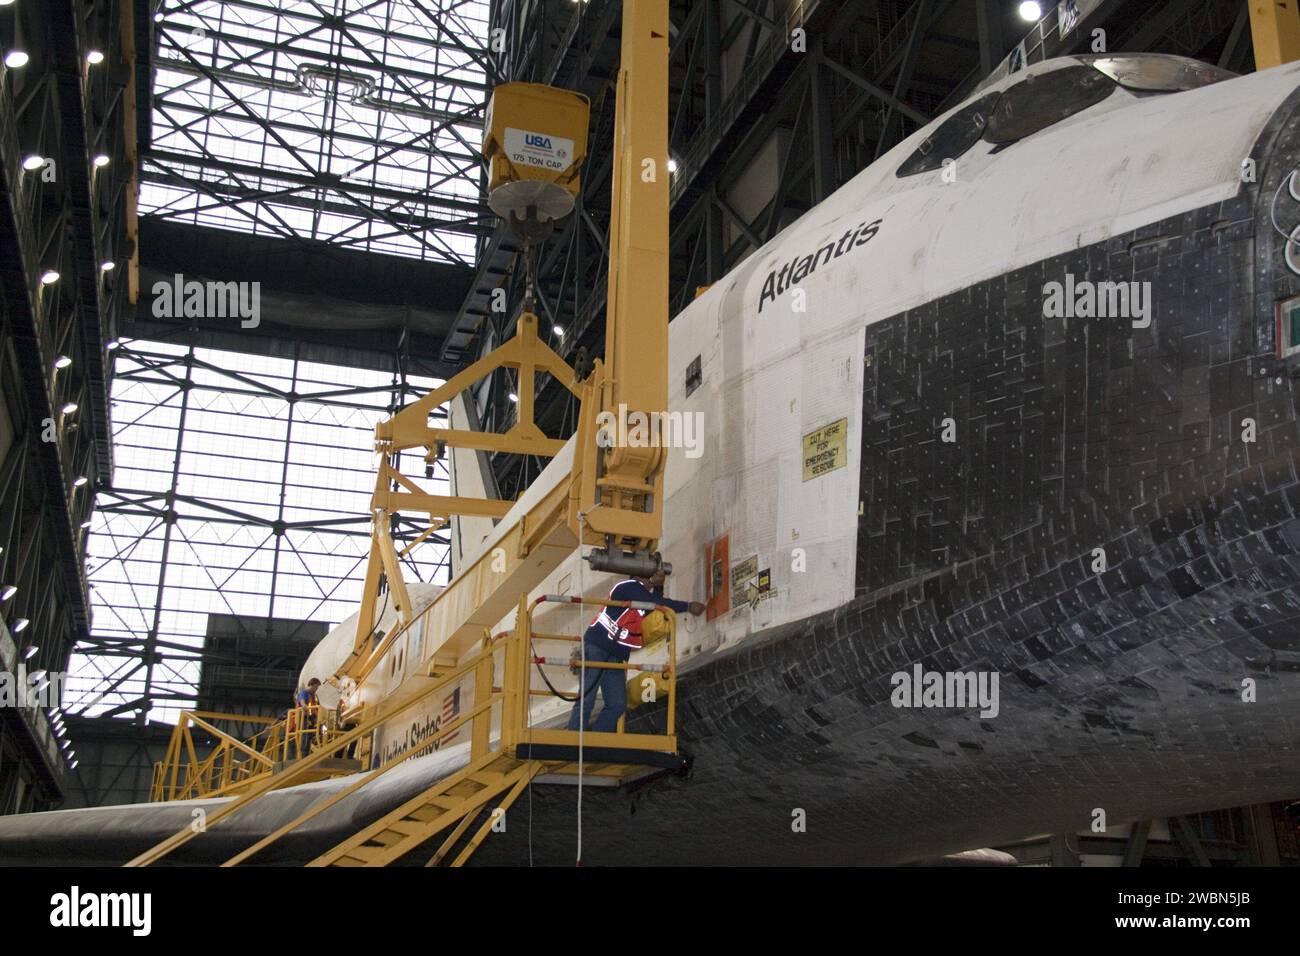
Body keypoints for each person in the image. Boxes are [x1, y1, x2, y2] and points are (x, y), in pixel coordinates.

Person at [567, 569, 704, 733]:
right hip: (598, 646)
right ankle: (574, 739)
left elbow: (656, 606)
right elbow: (653, 601)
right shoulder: (627, 587)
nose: (650, 582)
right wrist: (688, 606)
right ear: (639, 576)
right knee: (587, 698)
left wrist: (657, 586)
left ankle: (598, 739)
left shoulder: (640, 600)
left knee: (617, 704)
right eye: (649, 577)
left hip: (616, 655)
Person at [294, 677, 321, 757]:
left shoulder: (313, 696)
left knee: (309, 736)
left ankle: (306, 753)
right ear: (311, 685)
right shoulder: (304, 693)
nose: (316, 689)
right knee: (304, 736)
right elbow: (303, 703)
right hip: (303, 717)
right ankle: (302, 754)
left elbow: (315, 707)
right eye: (316, 687)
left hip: (310, 718)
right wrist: (305, 707)